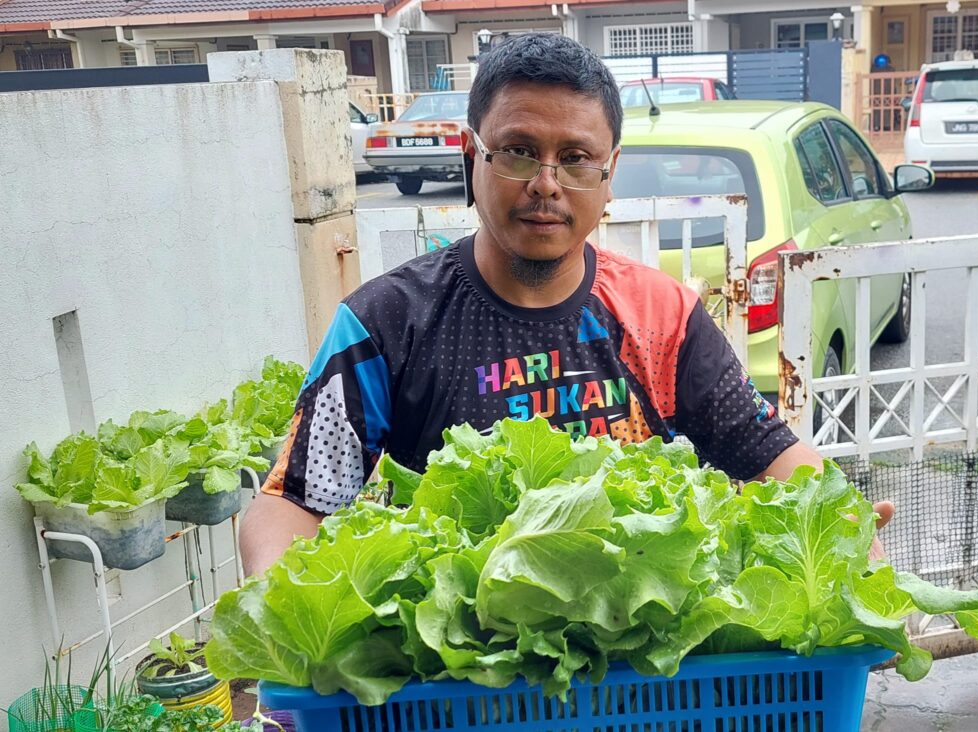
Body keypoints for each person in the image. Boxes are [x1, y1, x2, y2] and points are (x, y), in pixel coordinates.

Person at [240, 34, 893, 576]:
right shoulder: (386, 324)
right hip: (456, 677)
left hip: (635, 669)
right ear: (473, 157)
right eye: (520, 151)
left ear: (608, 173)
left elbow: (767, 450)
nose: (546, 185)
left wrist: (842, 524)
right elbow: (292, 500)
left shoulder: (659, 314)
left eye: (576, 159)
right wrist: (281, 597)